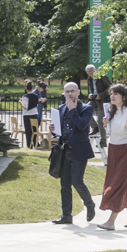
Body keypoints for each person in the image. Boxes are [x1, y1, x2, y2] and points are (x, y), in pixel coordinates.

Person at [97, 83, 127, 230]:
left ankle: (111, 221)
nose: (112, 96)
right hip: (114, 151)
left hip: (126, 153)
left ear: (124, 97)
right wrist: (106, 125)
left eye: (116, 94)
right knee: (123, 187)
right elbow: (115, 134)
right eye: (111, 93)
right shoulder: (114, 111)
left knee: (117, 186)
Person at [51, 82, 97, 224]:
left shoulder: (86, 108)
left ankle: (89, 204)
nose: (69, 94)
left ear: (78, 92)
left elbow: (82, 125)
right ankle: (66, 216)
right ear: (64, 93)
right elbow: (59, 131)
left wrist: (73, 110)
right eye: (67, 91)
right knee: (65, 185)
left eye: (72, 91)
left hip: (79, 151)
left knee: (77, 182)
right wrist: (53, 128)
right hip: (64, 150)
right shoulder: (61, 108)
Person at [84, 64, 111, 146]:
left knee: (100, 120)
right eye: (90, 73)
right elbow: (92, 89)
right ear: (88, 74)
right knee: (84, 110)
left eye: (93, 72)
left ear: (95, 69)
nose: (93, 75)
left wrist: (101, 95)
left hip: (103, 100)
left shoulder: (102, 76)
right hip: (94, 99)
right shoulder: (89, 79)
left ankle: (103, 141)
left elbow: (110, 87)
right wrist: (90, 94)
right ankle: (94, 127)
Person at [20, 78, 42, 147]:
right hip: (34, 114)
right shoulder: (36, 96)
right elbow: (36, 105)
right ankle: (36, 143)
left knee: (28, 130)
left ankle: (29, 145)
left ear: (26, 88)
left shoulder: (25, 96)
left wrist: (20, 102)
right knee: (35, 129)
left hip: (27, 115)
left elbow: (25, 107)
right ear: (32, 88)